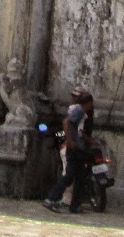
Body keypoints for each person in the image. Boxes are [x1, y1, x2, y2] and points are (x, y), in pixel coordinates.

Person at [42, 86, 93, 214]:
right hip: (74, 148)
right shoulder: (79, 110)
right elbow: (66, 122)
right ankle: (51, 199)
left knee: (80, 177)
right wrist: (69, 140)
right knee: (69, 176)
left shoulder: (81, 112)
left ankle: (75, 205)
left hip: (78, 148)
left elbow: (79, 130)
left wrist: (88, 140)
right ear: (87, 103)